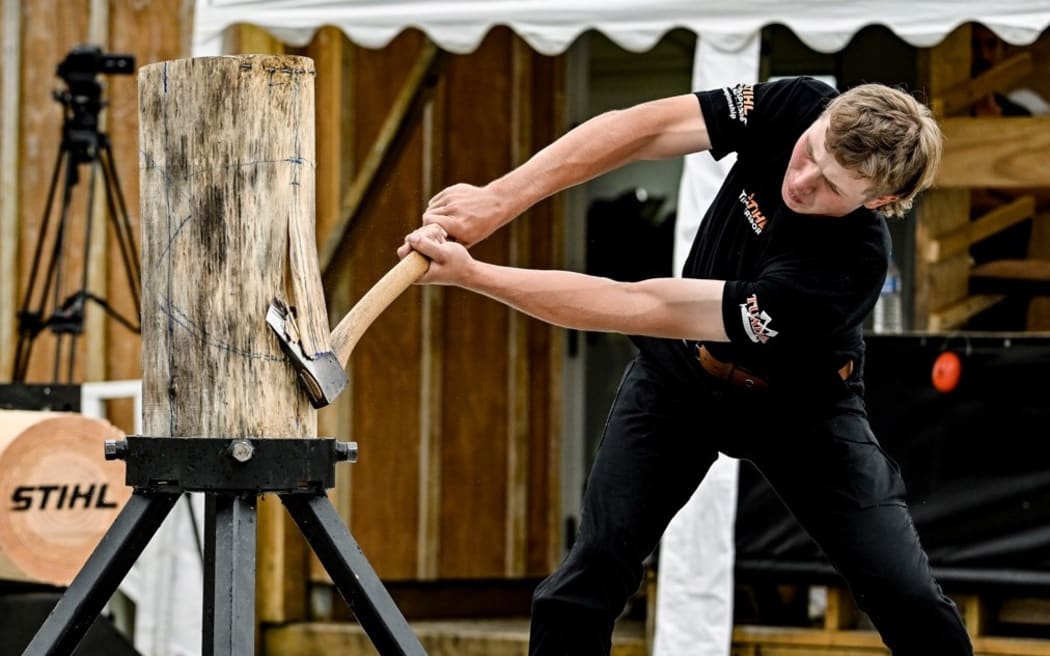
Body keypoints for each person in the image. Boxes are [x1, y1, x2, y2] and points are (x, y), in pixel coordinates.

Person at [399, 76, 973, 655]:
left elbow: (642, 304)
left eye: (830, 186)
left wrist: (475, 276)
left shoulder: (846, 268)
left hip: (801, 409)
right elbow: (645, 127)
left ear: (877, 201)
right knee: (589, 576)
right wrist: (498, 199)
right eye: (809, 152)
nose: (799, 181)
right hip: (681, 381)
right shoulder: (800, 102)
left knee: (906, 595)